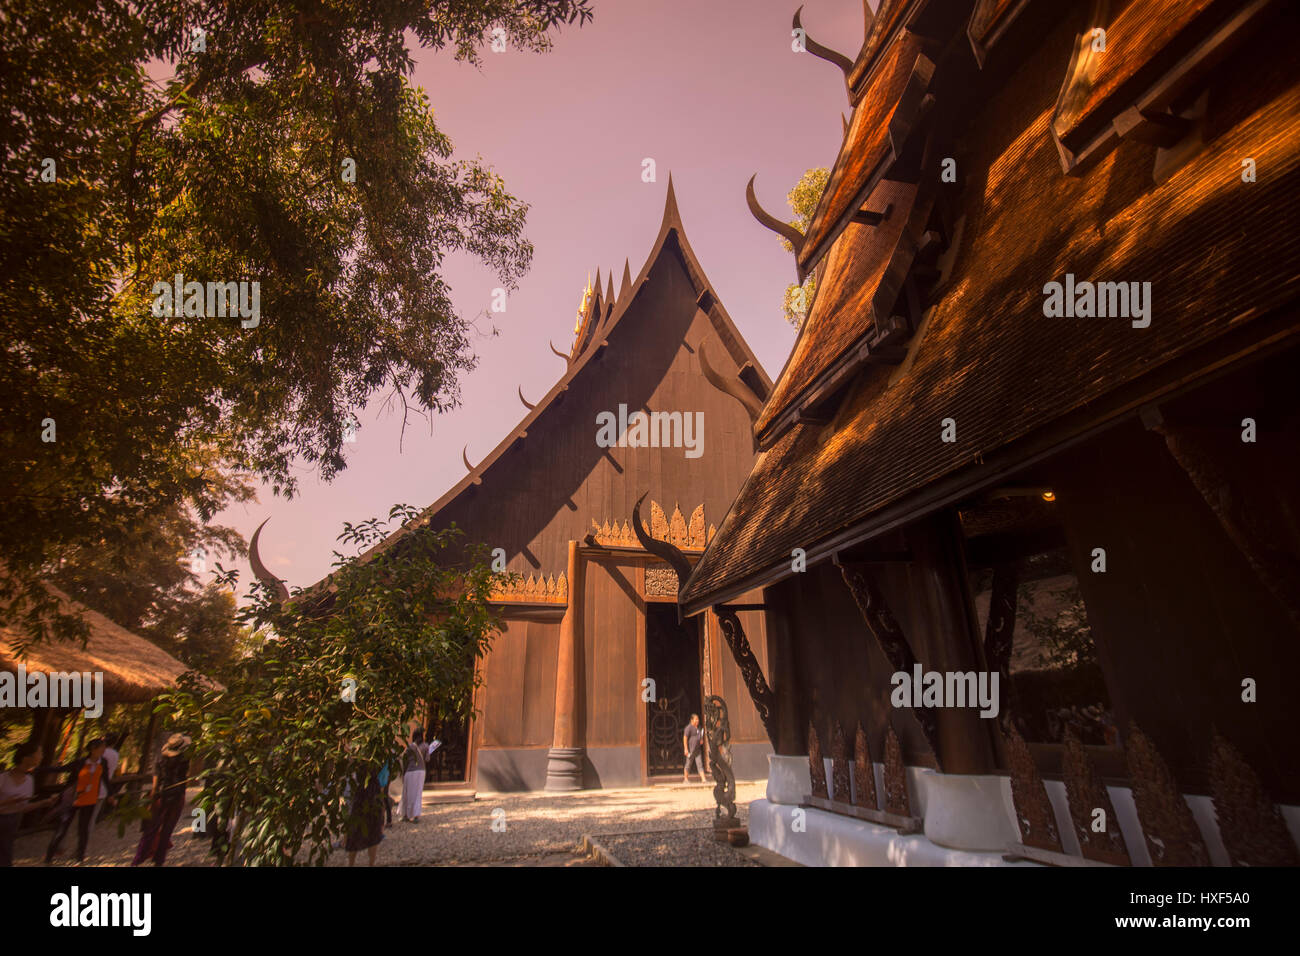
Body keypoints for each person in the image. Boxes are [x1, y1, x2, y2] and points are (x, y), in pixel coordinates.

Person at [45, 737, 112, 863]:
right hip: (73, 800)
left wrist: (111, 795)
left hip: (90, 800)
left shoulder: (103, 763)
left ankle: (80, 857)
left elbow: (106, 780)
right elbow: (61, 769)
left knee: (83, 829)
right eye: (102, 747)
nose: (104, 749)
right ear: (93, 749)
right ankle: (49, 856)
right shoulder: (81, 763)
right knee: (63, 828)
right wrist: (38, 769)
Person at [131, 733, 191, 866]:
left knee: (150, 829)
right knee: (166, 831)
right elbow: (185, 780)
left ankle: (138, 859)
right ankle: (159, 860)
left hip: (160, 796)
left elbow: (155, 783)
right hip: (177, 796)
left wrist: (152, 798)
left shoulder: (160, 761)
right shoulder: (184, 762)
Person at [1, 742, 56, 866]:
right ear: (27, 758)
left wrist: (43, 803)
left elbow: (23, 808)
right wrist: (7, 802)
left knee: (5, 856)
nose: (42, 756)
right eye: (39, 753)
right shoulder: (3, 778)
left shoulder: (29, 781)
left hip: (12, 822)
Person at [344, 760, 385, 866]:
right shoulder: (375, 758)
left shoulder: (359, 759)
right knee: (372, 831)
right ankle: (369, 864)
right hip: (371, 793)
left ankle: (352, 864)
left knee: (358, 831)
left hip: (362, 794)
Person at [399, 728, 427, 823]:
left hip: (409, 771)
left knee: (407, 793)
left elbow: (404, 759)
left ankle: (405, 814)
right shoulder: (425, 746)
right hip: (420, 771)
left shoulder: (409, 747)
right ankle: (415, 815)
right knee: (417, 793)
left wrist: (403, 773)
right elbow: (427, 759)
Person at [683, 714, 708, 784]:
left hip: (697, 750)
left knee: (700, 764)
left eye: (698, 719)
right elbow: (685, 738)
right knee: (688, 764)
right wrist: (686, 749)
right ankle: (685, 779)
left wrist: (701, 740)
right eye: (696, 719)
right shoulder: (689, 728)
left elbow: (700, 736)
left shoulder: (699, 728)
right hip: (690, 750)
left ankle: (703, 779)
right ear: (691, 720)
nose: (697, 721)